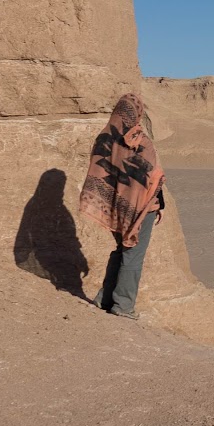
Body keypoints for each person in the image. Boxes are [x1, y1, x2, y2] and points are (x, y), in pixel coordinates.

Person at [79, 93, 166, 320]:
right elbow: (150, 177)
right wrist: (155, 203)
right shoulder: (139, 140)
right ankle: (124, 305)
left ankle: (105, 299)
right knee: (133, 254)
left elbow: (100, 170)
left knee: (121, 250)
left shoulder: (105, 137)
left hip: (115, 205)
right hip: (141, 208)